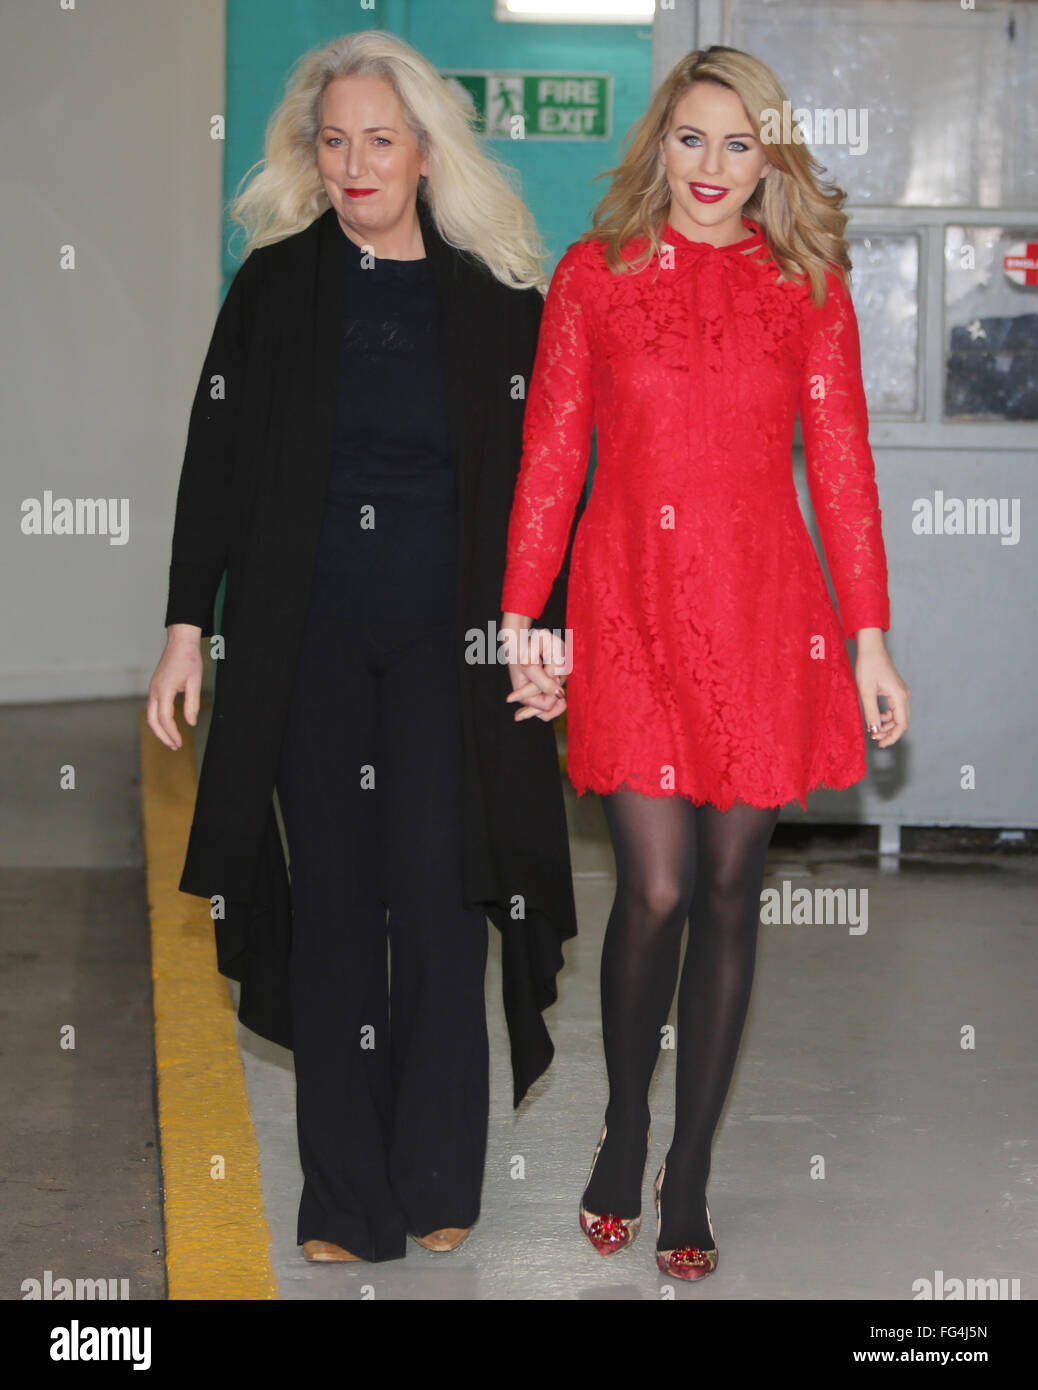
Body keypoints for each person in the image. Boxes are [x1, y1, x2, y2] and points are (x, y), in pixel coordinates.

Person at [146, 30, 579, 1266]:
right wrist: (186, 629)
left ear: (425, 150)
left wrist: (545, 634)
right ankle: (344, 1200)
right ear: (311, 152)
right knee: (336, 910)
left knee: (440, 906)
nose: (355, 164)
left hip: (454, 653)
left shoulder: (495, 301)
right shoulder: (275, 290)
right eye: (334, 141)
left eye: (379, 140)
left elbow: (549, 486)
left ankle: (437, 1176)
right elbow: (214, 467)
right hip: (309, 645)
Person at [499, 45, 911, 1281]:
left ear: (770, 156)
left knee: (732, 888)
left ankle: (689, 1168)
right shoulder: (595, 277)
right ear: (659, 144)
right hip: (628, 607)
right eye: (692, 139)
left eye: (740, 143)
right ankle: (625, 1127)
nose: (713, 167)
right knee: (659, 888)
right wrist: (524, 616)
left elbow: (843, 465)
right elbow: (552, 451)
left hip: (763, 615)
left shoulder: (806, 286)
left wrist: (869, 640)